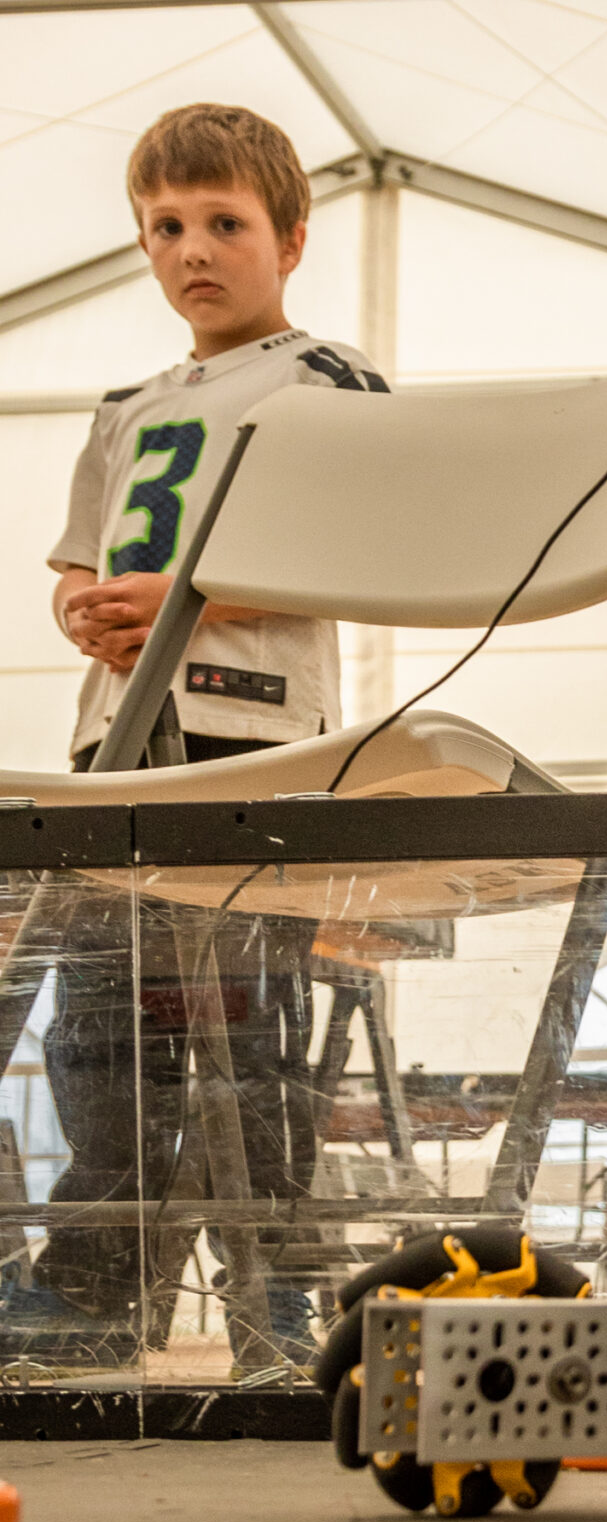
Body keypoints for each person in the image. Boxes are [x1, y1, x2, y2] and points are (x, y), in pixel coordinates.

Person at [0, 105, 390, 1368]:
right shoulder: (126, 406)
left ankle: (273, 1283)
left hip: (250, 739)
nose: (193, 251)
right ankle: (95, 1286)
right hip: (118, 742)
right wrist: (88, 613)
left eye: (224, 223)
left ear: (288, 238)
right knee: (100, 1031)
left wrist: (195, 603)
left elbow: (366, 548)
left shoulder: (327, 383)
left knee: (250, 1034)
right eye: (165, 228)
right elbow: (74, 566)